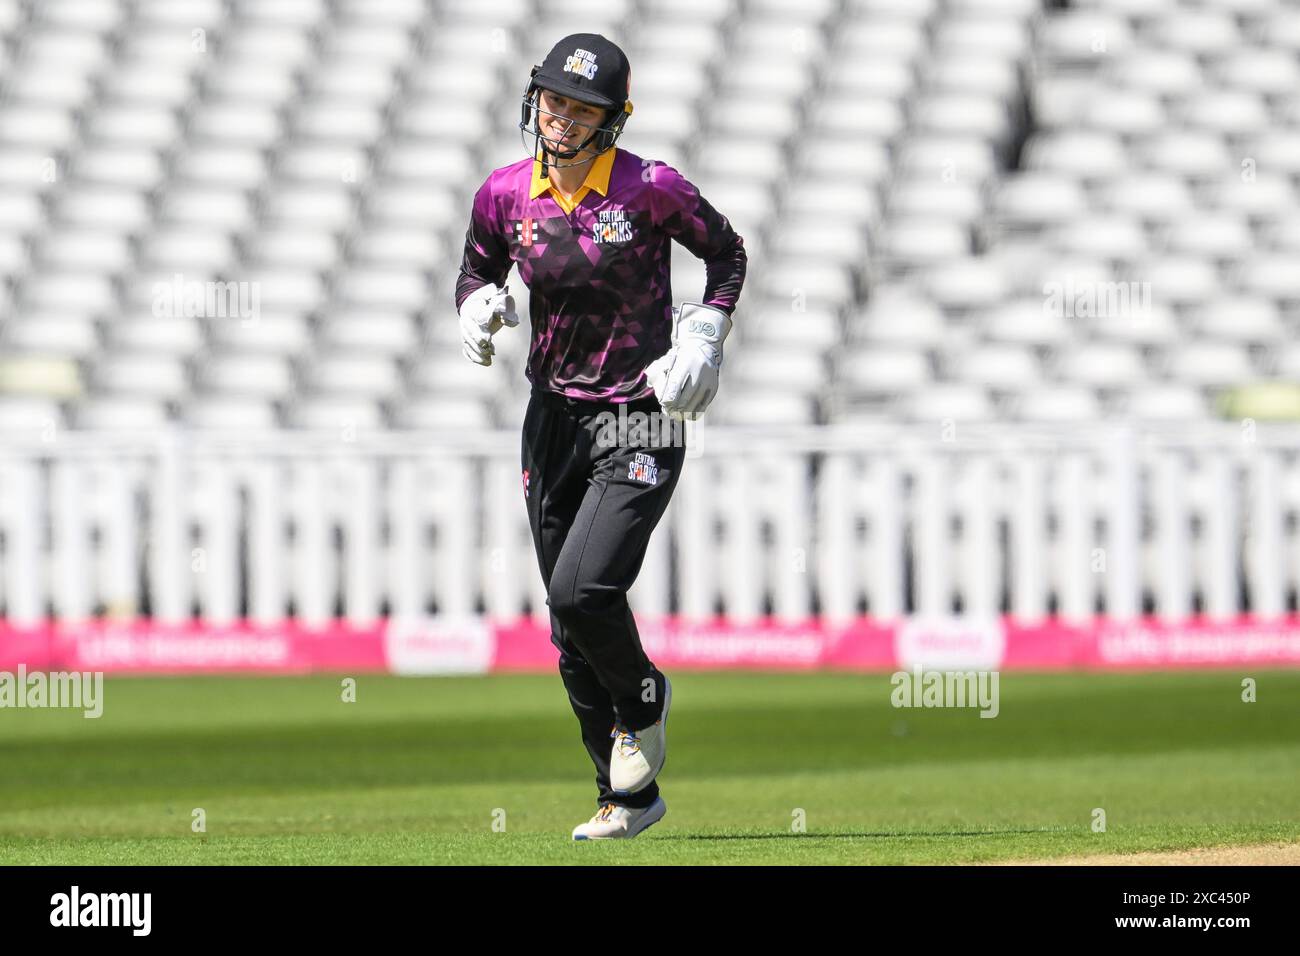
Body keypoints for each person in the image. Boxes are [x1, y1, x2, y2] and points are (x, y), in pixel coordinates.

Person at [454, 33, 747, 840]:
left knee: (583, 592)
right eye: (553, 100)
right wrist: (475, 305)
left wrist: (707, 331)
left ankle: (645, 699)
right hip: (553, 419)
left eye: (581, 108)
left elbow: (726, 255)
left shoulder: (651, 189)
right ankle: (627, 798)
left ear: (612, 119)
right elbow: (477, 269)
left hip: (639, 414)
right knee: (566, 625)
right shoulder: (506, 194)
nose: (561, 118)